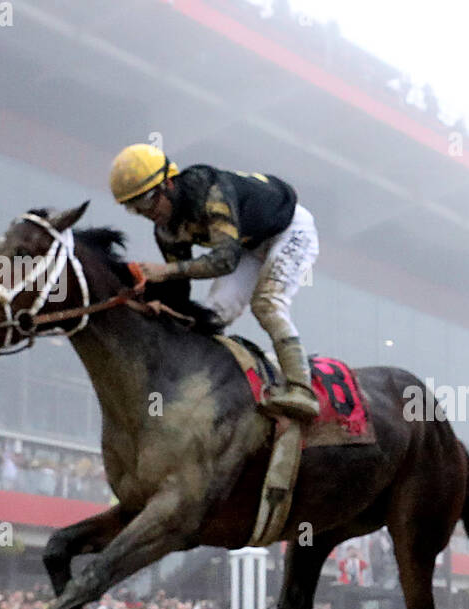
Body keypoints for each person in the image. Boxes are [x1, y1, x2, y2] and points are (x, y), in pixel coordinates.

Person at [109, 143, 322, 418]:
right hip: (246, 245)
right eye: (134, 207)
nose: (146, 212)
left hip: (289, 231)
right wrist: (149, 298)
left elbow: (224, 261)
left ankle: (301, 388)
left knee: (267, 303)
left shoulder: (210, 194)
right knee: (213, 314)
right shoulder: (166, 231)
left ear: (169, 183)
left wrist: (165, 272)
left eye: (147, 200)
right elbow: (179, 290)